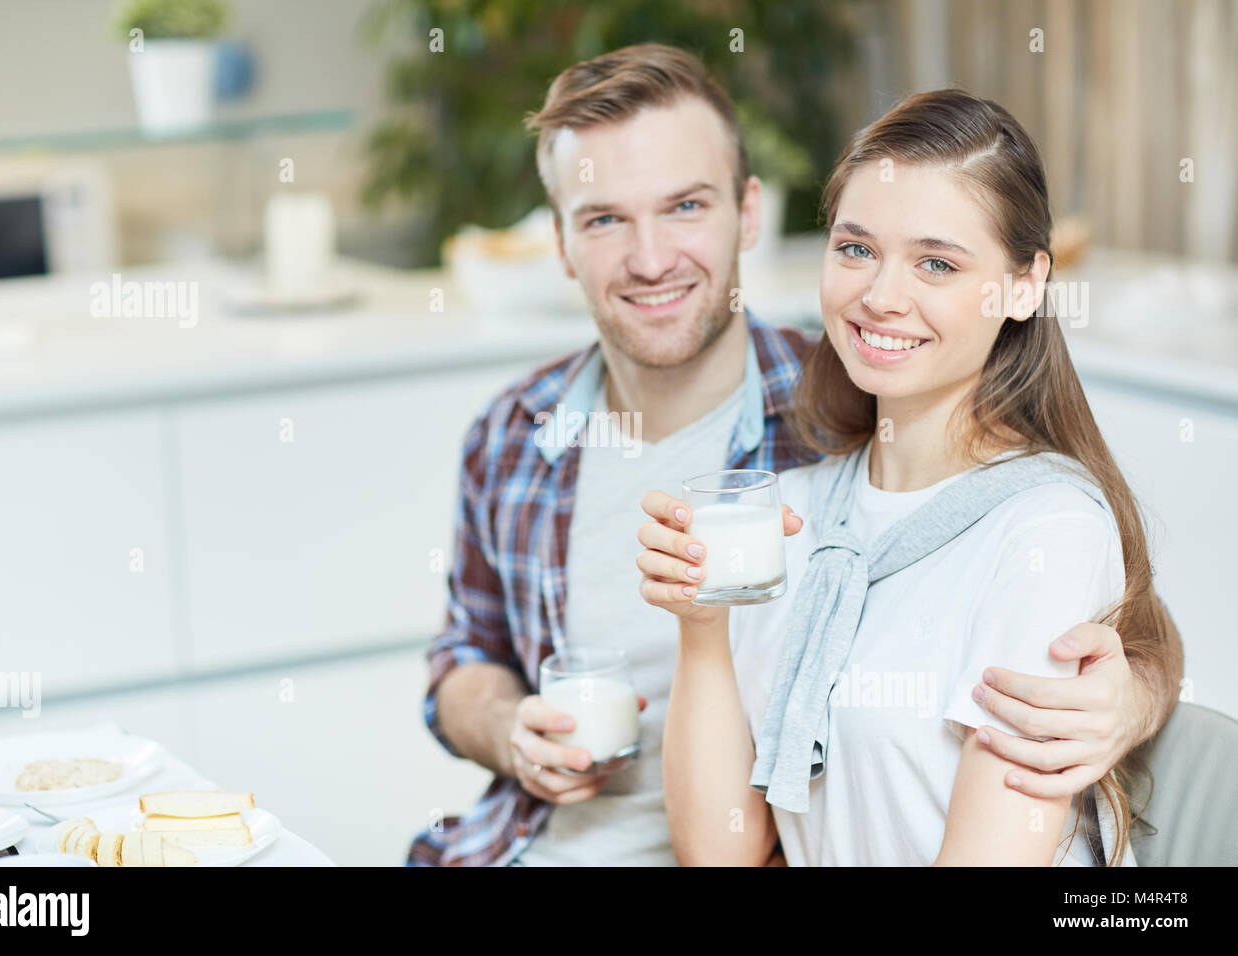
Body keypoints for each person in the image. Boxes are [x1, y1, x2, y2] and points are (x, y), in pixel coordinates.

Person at [409, 45, 1183, 866]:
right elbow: (466, 653)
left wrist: (1139, 685)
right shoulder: (540, 438)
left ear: (749, 213)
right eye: (604, 218)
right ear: (558, 242)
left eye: (683, 207)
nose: (649, 257)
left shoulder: (836, 405)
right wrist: (678, 639)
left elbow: (1091, 582)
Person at [640, 87, 1172, 865]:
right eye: (856, 249)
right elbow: (721, 853)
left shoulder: (1045, 534)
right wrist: (700, 626)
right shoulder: (784, 515)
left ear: (1025, 285)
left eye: (936, 263)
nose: (882, 297)